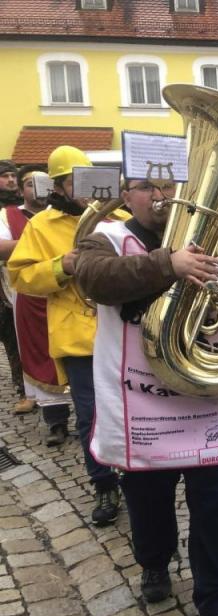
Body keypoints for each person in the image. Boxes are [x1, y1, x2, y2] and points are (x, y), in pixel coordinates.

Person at [74, 176, 218, 616]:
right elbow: (92, 277)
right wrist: (168, 264)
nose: (162, 195)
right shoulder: (110, 236)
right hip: (144, 405)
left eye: (173, 184)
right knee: (148, 503)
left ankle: (217, 598)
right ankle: (153, 562)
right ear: (126, 195)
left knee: (215, 509)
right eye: (147, 186)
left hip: (214, 404)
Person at [8, 146, 123, 526]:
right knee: (91, 414)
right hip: (79, 336)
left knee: (132, 408)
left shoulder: (117, 217)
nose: (86, 189)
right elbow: (21, 276)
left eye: (91, 180)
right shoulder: (42, 225)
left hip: (122, 328)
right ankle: (103, 482)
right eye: (76, 181)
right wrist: (62, 265)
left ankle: (139, 472)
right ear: (59, 185)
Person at [0, 166, 72, 445]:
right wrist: (40, 241)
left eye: (42, 183)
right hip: (30, 298)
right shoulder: (9, 215)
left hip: (67, 296)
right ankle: (56, 421)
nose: (36, 189)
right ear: (21, 189)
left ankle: (91, 417)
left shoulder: (66, 214)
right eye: (30, 184)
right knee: (42, 357)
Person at [0, 159, 29, 414]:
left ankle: (30, 388)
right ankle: (23, 388)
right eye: (5, 176)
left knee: (21, 336)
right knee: (11, 339)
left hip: (17, 281)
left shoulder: (24, 208)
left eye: (13, 176)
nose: (10, 180)